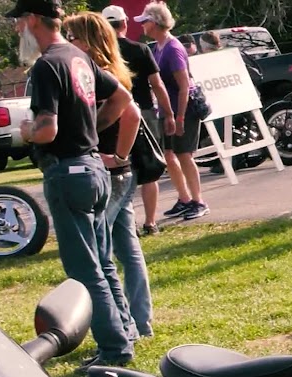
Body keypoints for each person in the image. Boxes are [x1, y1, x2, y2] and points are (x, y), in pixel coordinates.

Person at [9, 0, 136, 367]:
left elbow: (48, 130)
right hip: (94, 168)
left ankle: (114, 349)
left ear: (32, 20)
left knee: (85, 271)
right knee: (104, 263)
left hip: (68, 173)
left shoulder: (48, 65)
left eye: (19, 23)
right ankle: (123, 332)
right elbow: (123, 99)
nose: (18, 31)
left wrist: (29, 132)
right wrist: (91, 130)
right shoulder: (78, 57)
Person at [64, 11, 155, 341]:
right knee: (128, 250)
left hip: (111, 172)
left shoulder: (97, 73)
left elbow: (130, 112)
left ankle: (124, 329)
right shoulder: (112, 70)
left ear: (88, 41)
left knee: (102, 256)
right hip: (120, 173)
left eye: (71, 37)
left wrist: (116, 154)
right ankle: (140, 323)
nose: (67, 44)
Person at [101, 4, 174, 237]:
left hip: (114, 116)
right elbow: (157, 84)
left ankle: (125, 221)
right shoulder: (140, 49)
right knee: (149, 167)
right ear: (124, 24)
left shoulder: (101, 53)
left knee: (119, 167)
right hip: (143, 111)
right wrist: (169, 113)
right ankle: (150, 222)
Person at [137, 2, 209, 220]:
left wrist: (179, 116)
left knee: (184, 155)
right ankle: (184, 198)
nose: (142, 26)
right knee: (169, 154)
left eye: (145, 21)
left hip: (184, 107)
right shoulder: (158, 47)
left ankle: (199, 201)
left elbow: (184, 85)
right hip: (168, 108)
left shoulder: (173, 48)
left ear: (156, 23)